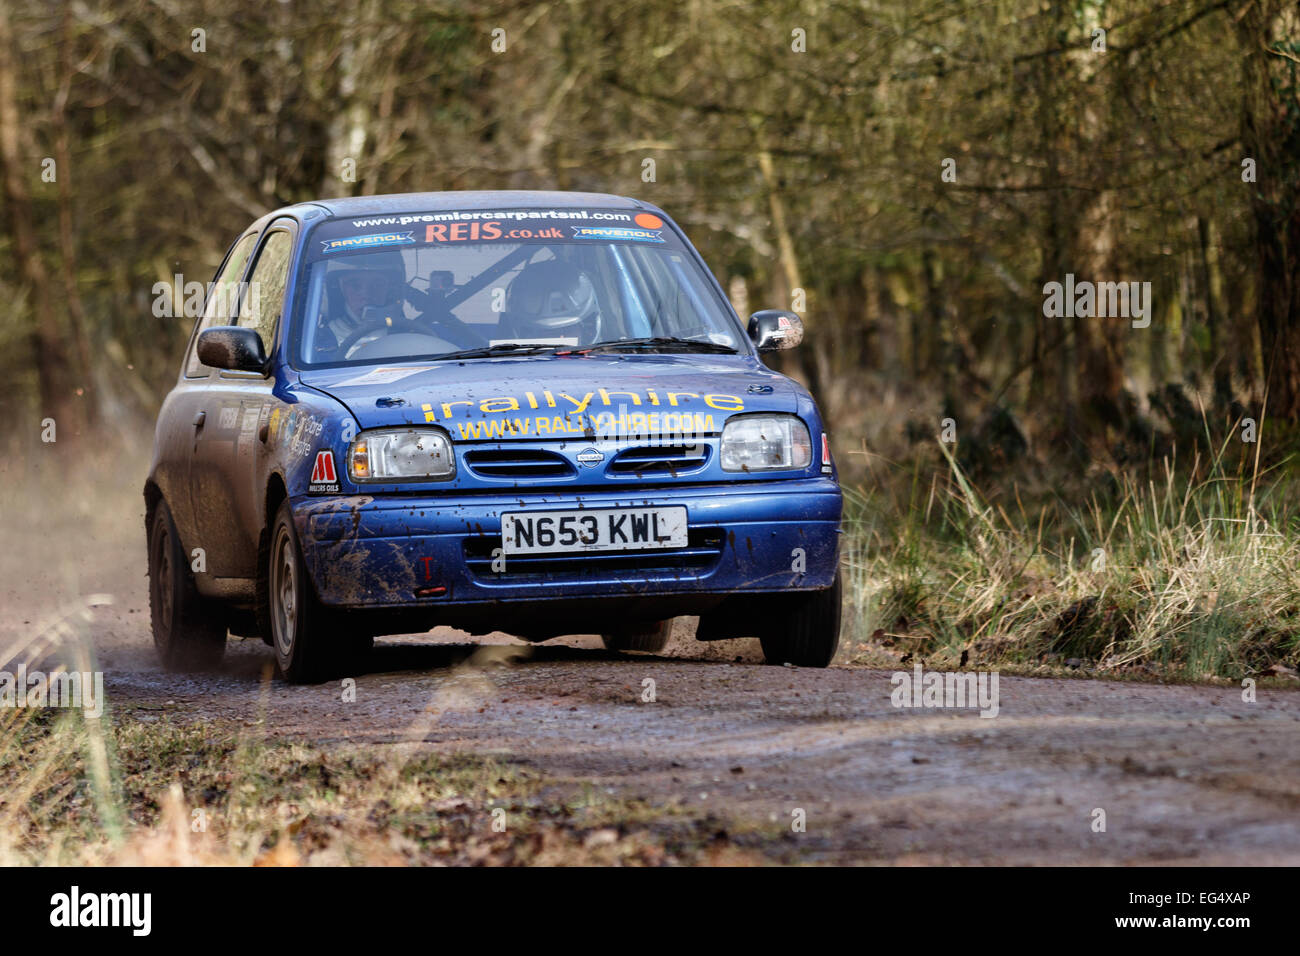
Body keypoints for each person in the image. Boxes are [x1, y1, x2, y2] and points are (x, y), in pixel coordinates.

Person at [313, 251, 407, 359]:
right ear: (340, 290)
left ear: (391, 291)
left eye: (378, 284)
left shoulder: (410, 335)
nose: (366, 294)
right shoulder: (315, 345)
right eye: (354, 285)